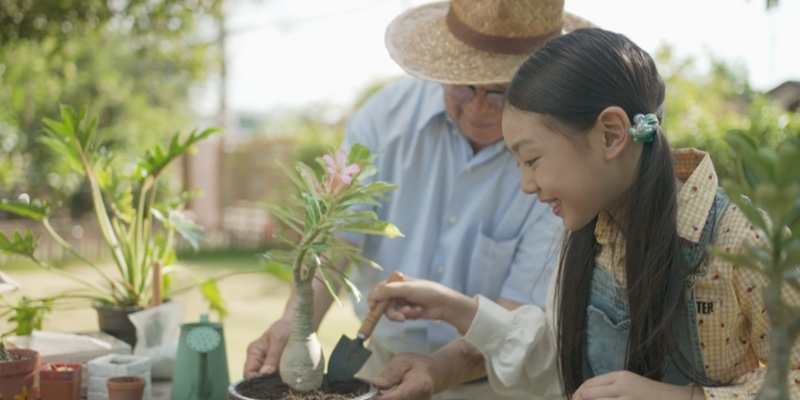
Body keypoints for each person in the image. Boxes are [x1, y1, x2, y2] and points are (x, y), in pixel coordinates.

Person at [368, 28, 800, 400]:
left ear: (611, 135)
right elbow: (555, 353)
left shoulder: (744, 242)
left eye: (531, 159)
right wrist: (454, 307)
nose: (526, 184)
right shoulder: (593, 234)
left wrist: (685, 396)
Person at [243, 0, 595, 399]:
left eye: (502, 92)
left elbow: (520, 321)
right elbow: (338, 235)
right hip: (378, 364)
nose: (480, 105)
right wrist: (296, 322)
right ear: (442, 67)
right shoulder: (383, 119)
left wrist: (441, 368)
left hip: (495, 385)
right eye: (464, 85)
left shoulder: (555, 164)